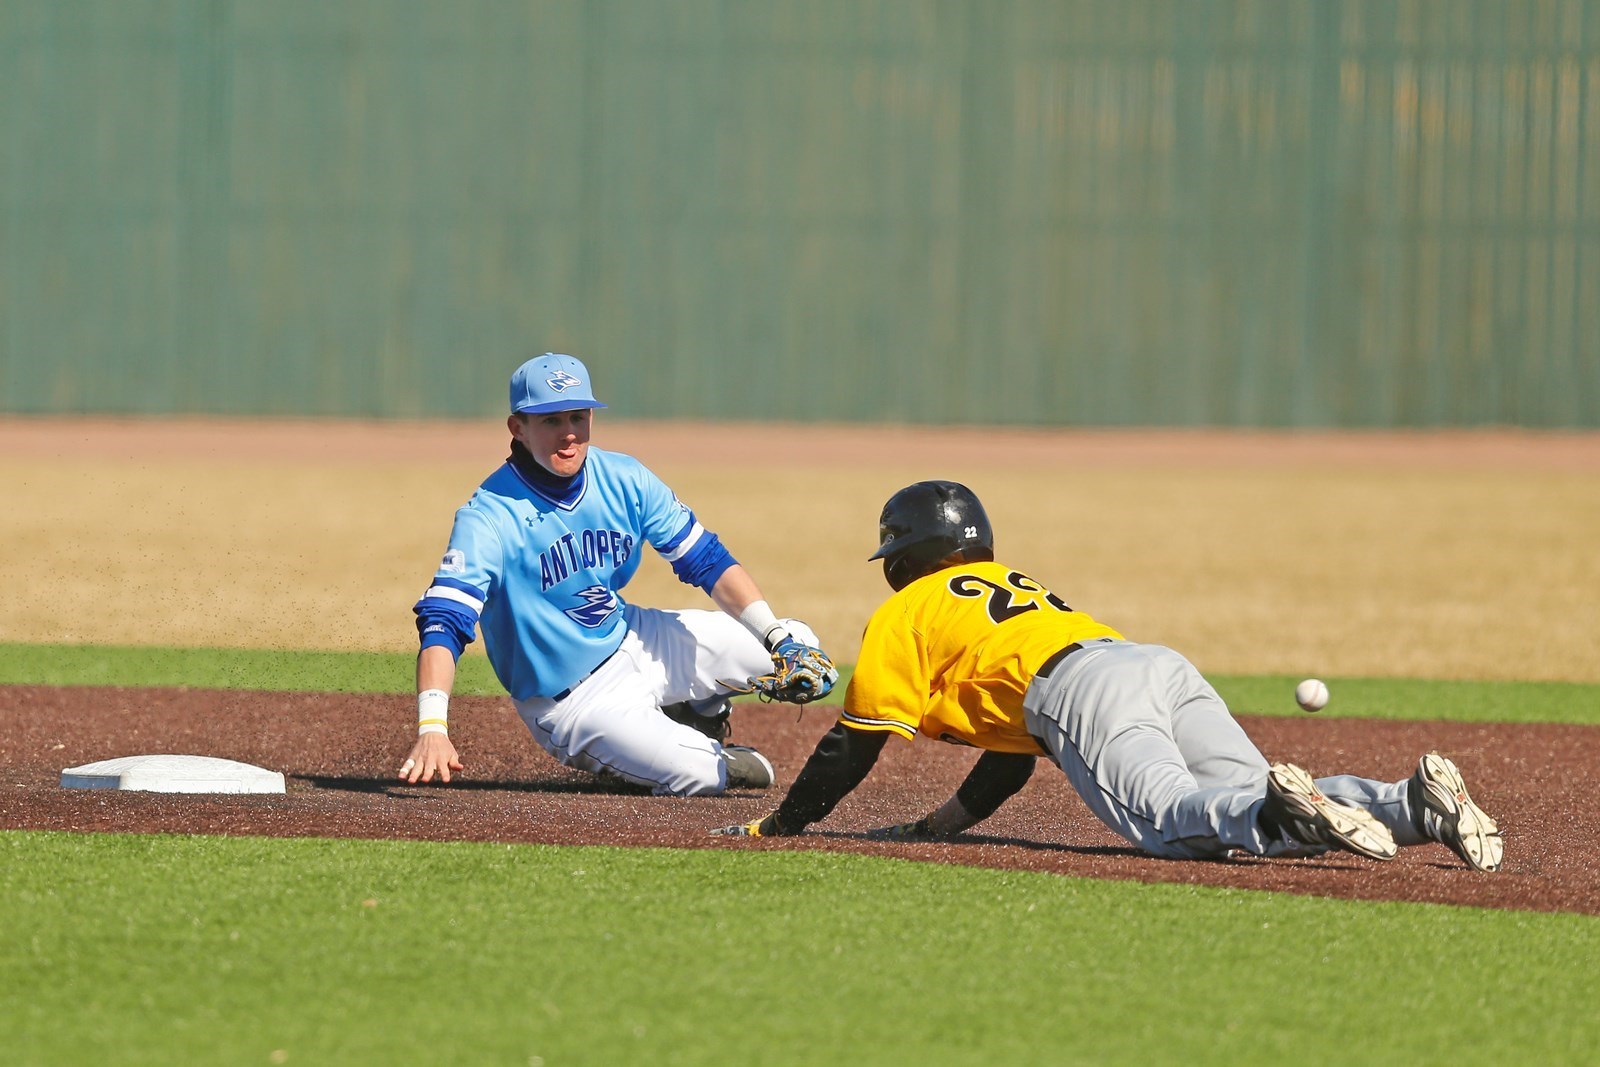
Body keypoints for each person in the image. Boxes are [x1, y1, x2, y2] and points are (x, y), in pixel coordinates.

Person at [712, 480, 1503, 873]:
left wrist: (779, 827)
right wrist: (943, 823)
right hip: (1152, 663)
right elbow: (1011, 754)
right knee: (1246, 814)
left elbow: (855, 744)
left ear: (908, 555)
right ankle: (1413, 804)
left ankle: (1287, 802)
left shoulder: (908, 612)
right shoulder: (1014, 589)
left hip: (1082, 693)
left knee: (1171, 820)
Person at [398, 352, 836, 795]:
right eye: (550, 420)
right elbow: (445, 622)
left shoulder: (625, 478)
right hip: (572, 703)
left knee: (799, 641)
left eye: (578, 416)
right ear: (518, 428)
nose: (568, 433)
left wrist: (777, 640)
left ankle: (697, 712)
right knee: (701, 775)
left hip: (636, 637)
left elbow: (707, 561)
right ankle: (714, 757)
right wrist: (432, 725)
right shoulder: (489, 516)